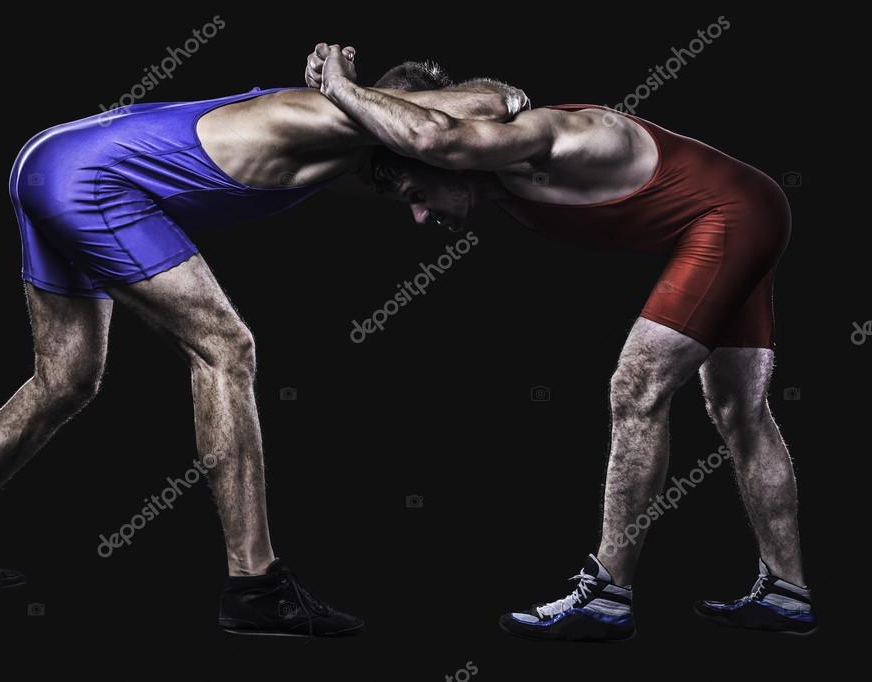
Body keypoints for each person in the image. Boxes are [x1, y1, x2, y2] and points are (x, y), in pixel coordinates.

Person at [0, 49, 526, 638]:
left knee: (65, 380)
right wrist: (516, 104)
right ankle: (255, 585)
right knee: (226, 349)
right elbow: (488, 103)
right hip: (91, 180)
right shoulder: (338, 114)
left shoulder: (340, 142)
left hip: (50, 159)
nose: (421, 215)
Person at [307, 43, 815, 640]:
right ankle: (788, 593)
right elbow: (451, 119)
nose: (421, 219)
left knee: (636, 390)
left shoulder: (540, 138)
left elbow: (431, 137)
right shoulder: (499, 167)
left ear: (448, 158)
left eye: (416, 197)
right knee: (739, 410)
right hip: (747, 210)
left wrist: (340, 85)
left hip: (730, 219)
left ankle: (607, 596)